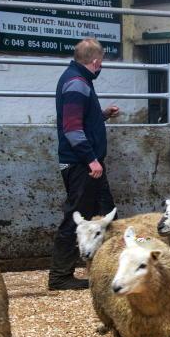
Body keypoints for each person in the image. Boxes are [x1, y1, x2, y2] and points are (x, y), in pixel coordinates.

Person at [48, 37, 120, 290]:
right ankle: (60, 276)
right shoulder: (77, 84)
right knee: (75, 216)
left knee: (107, 212)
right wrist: (91, 160)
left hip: (86, 162)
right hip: (82, 163)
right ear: (96, 61)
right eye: (102, 63)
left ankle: (110, 266)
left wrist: (101, 116)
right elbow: (72, 129)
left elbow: (81, 120)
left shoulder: (77, 80)